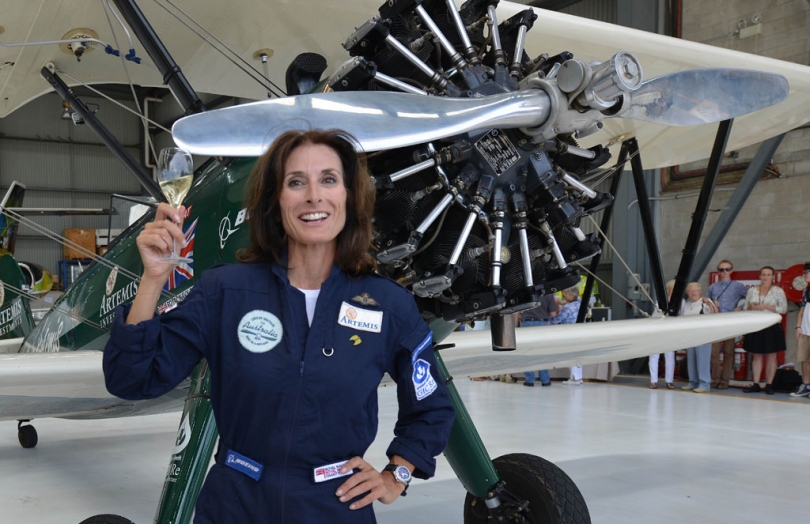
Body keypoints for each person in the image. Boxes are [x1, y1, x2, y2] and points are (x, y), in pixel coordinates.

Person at [102, 130, 455, 523]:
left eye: (329, 180)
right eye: (295, 182)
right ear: (274, 200)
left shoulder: (388, 304)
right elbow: (131, 379)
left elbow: (432, 406)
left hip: (335, 508)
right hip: (234, 505)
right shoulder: (225, 290)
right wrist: (152, 279)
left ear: (350, 197)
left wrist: (398, 474)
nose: (313, 196)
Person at [742, 266, 788, 395]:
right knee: (756, 355)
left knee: (771, 356)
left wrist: (767, 306)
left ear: (773, 277)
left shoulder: (778, 291)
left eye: (768, 275)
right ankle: (756, 383)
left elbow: (783, 309)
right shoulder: (752, 291)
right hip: (756, 324)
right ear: (759, 276)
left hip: (771, 325)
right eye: (763, 274)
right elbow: (746, 307)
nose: (765, 277)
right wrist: (751, 307)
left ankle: (769, 384)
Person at [706, 260, 748, 389]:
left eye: (727, 269)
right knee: (714, 353)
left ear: (731, 271)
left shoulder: (738, 286)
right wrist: (712, 304)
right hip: (716, 322)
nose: (724, 272)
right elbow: (706, 303)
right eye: (721, 269)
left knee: (729, 352)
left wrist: (740, 307)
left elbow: (750, 297)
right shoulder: (713, 287)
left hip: (730, 322)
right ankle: (715, 378)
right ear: (718, 272)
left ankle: (725, 381)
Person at [680, 282, 717, 393]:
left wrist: (710, 304)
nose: (693, 293)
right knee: (691, 360)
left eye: (695, 290)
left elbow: (715, 313)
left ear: (700, 291)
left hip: (703, 336)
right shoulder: (686, 304)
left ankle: (704, 384)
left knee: (703, 360)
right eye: (690, 291)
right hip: (691, 336)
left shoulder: (705, 302)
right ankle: (693, 382)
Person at [520, 293, 558, 387]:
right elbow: (553, 313)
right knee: (542, 352)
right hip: (542, 324)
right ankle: (545, 380)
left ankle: (529, 380)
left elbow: (517, 311)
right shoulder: (548, 293)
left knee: (527, 352)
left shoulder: (524, 291)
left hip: (526, 323)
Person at [649, 279, 676, 389]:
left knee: (670, 357)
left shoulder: (682, 302)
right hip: (657, 331)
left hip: (671, 332)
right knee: (654, 355)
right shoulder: (660, 301)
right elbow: (655, 315)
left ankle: (669, 380)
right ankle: (653, 381)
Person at [790, 262, 810, 397]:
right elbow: (802, 309)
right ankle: (806, 385)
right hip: (805, 329)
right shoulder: (806, 290)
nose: (803, 276)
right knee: (805, 358)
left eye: (806, 273)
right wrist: (798, 326)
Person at [557, 286, 583, 385]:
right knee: (578, 355)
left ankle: (574, 378)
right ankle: (578, 377)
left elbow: (556, 320)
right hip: (581, 332)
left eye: (565, 293)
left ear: (570, 295)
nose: (563, 295)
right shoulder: (580, 303)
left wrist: (559, 309)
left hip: (570, 333)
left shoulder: (567, 308)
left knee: (572, 355)